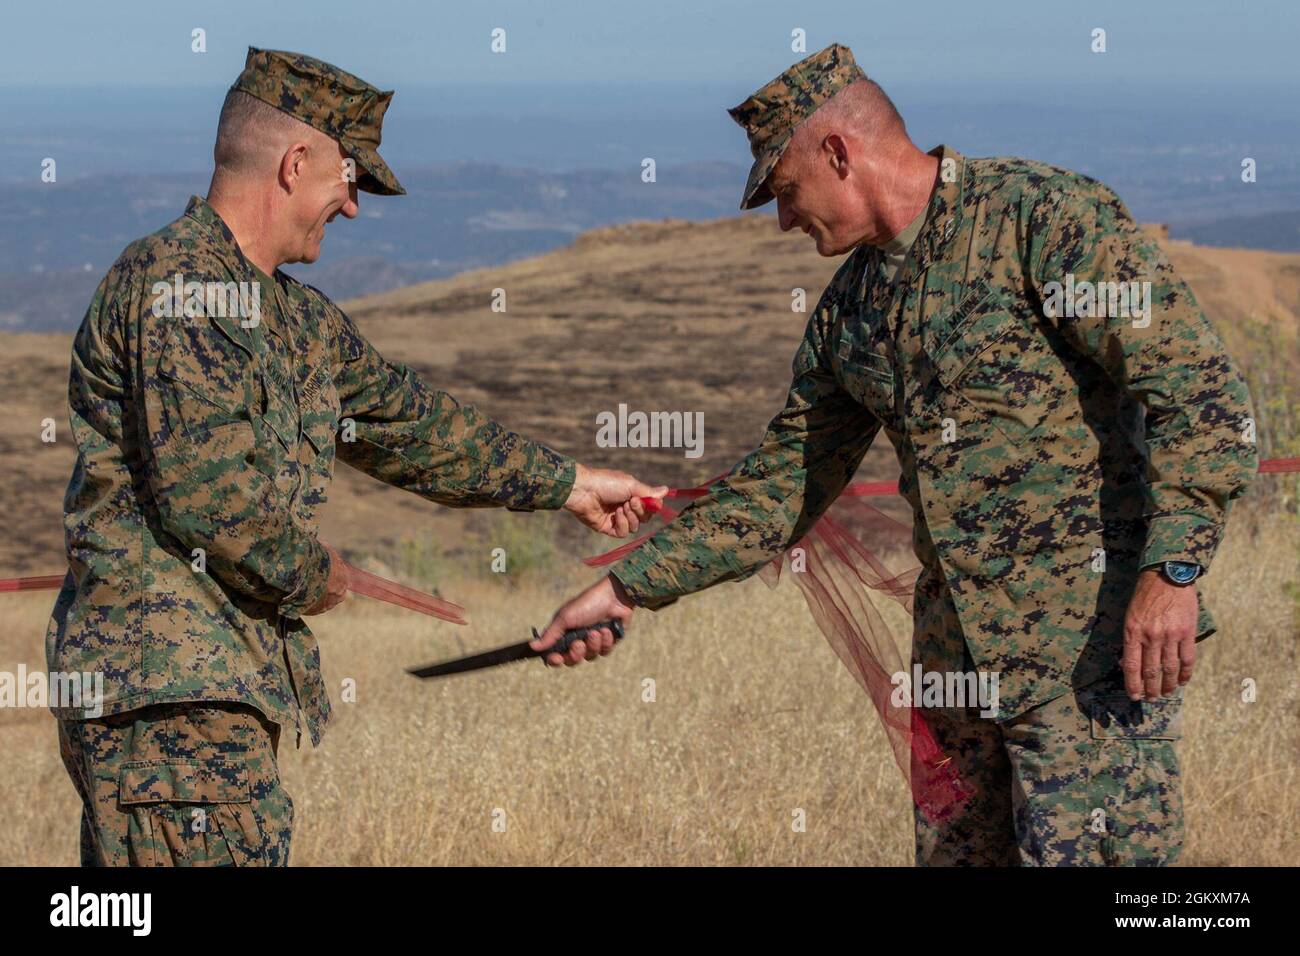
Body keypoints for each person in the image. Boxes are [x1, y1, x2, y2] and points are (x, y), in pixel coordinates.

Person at [535, 43, 1258, 866]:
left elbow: (1199, 393)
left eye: (784, 190)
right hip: (957, 682)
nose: (782, 220)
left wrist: (1174, 574)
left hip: (1086, 665)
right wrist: (625, 588)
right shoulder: (852, 310)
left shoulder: (1043, 220)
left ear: (837, 153)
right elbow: (781, 486)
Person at [49, 47, 663, 866]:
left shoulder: (296, 319)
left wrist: (571, 484)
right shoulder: (179, 284)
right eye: (350, 180)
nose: (353, 208)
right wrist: (319, 576)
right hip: (168, 702)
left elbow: (417, 428)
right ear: (295, 163)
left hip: (212, 698)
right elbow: (210, 503)